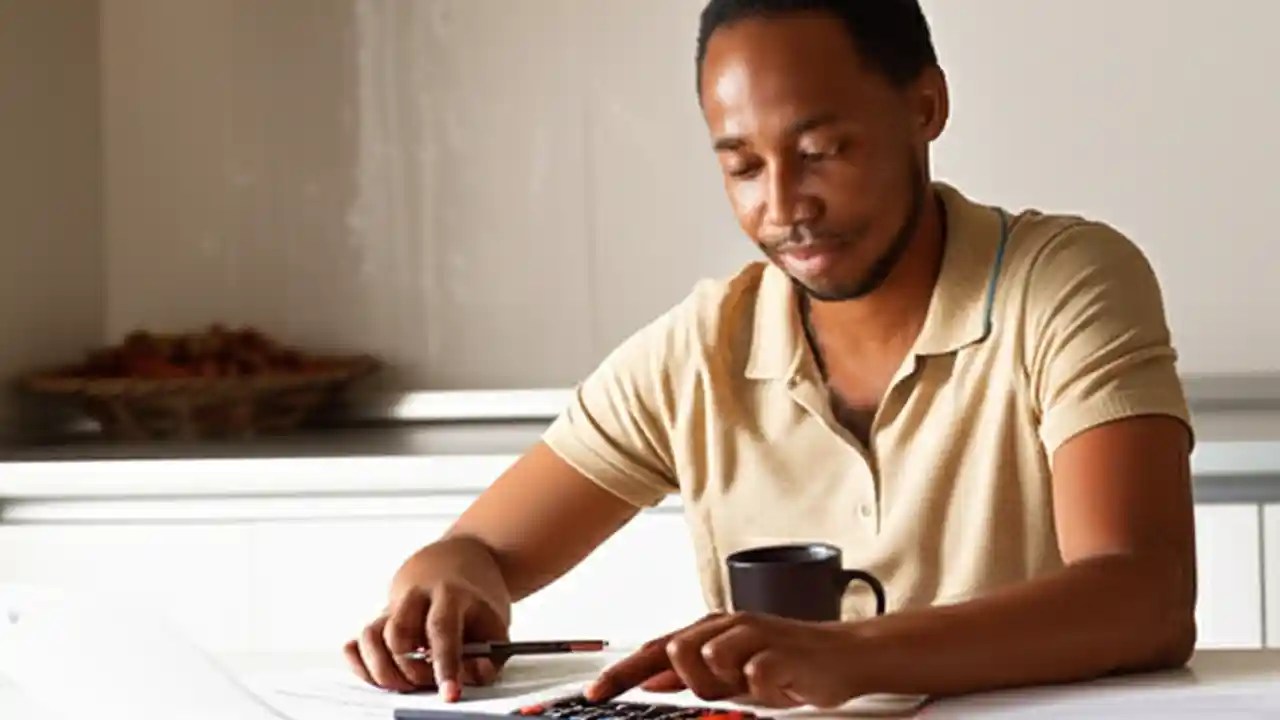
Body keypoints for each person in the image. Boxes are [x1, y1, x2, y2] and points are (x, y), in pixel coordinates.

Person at [344, 0, 1197, 708]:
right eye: (744, 166)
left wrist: (852, 655)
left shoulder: (1065, 284)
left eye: (822, 152)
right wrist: (446, 580)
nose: (785, 207)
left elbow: (1144, 598)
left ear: (926, 107)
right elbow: (480, 553)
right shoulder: (701, 349)